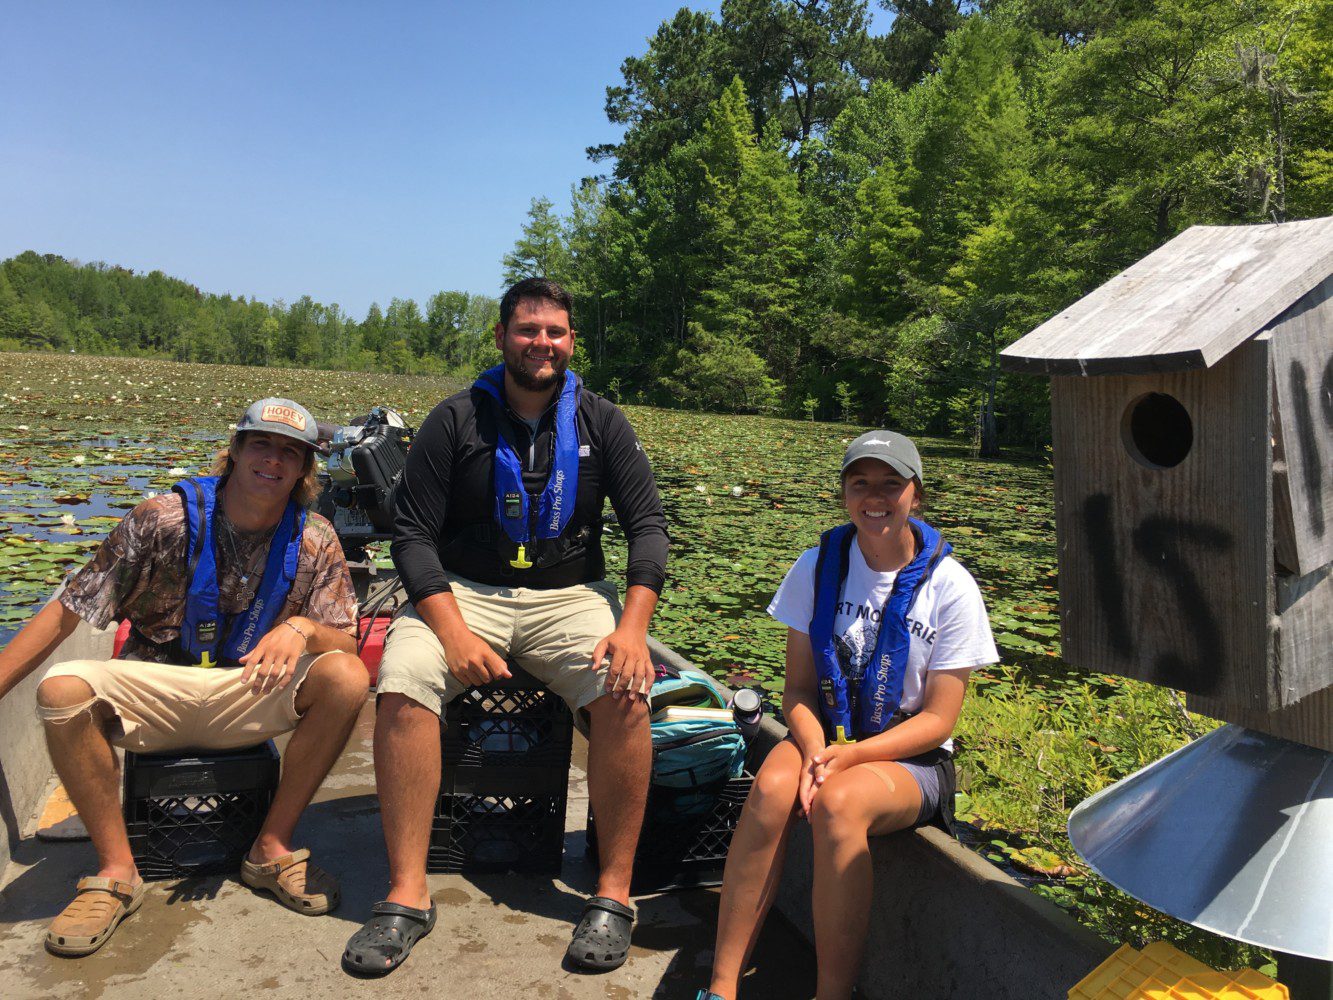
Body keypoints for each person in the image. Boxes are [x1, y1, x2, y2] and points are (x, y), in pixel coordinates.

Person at [343, 277, 669, 976]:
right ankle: (406, 892)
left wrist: (633, 627)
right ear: (500, 337)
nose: (541, 343)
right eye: (527, 330)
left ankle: (612, 894)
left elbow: (647, 526)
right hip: (462, 591)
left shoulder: (603, 423)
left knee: (626, 690)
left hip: (569, 595)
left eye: (555, 331)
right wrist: (453, 633)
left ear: (571, 341)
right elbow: (412, 537)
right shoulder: (454, 419)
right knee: (402, 680)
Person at [0, 398, 368, 957]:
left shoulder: (315, 536)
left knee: (345, 676)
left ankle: (270, 848)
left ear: (304, 470)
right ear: (235, 450)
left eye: (290, 453)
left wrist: (301, 629)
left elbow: (345, 640)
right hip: (156, 691)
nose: (273, 460)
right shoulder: (161, 519)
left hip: (246, 692)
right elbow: (69, 611)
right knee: (62, 688)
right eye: (261, 444)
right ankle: (115, 872)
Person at [699, 430, 999, 1000]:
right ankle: (721, 987)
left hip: (910, 758)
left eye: (891, 483)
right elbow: (798, 691)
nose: (874, 497)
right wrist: (818, 754)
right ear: (844, 493)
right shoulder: (817, 566)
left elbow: (939, 721)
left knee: (838, 803)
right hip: (827, 735)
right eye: (860, 483)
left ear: (915, 494)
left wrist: (851, 758)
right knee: (771, 787)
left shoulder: (951, 587)